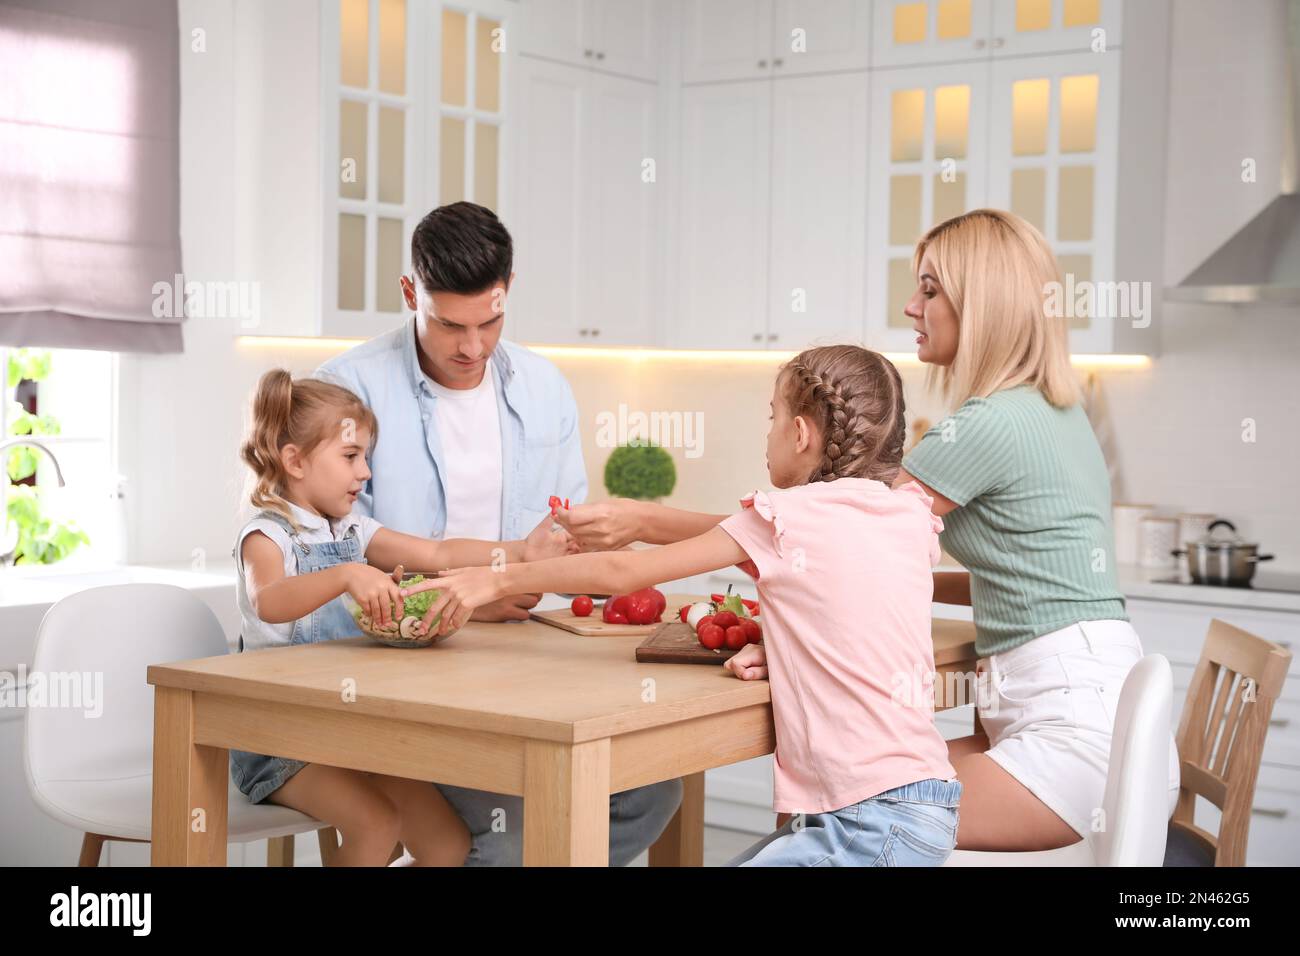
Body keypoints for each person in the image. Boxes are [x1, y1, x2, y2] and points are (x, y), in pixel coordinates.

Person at [405, 345, 963, 866]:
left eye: (771, 417)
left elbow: (623, 571)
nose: (765, 433)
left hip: (867, 826)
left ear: (799, 434)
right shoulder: (908, 514)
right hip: (916, 806)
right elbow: (840, 590)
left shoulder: (793, 517)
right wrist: (800, 648)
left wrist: (495, 579)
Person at [315, 201, 682, 865]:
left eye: (491, 320)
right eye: (450, 325)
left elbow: (564, 521)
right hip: (399, 674)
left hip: (519, 659)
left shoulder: (544, 386)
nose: (473, 346)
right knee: (519, 828)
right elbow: (331, 543)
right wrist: (470, 587)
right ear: (409, 294)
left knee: (649, 789)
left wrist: (539, 573)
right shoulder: (347, 388)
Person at [230, 368, 571, 865]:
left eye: (365, 457)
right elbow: (270, 600)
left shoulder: (352, 528)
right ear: (295, 460)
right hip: (278, 742)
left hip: (352, 731)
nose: (365, 472)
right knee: (378, 825)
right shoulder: (267, 535)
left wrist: (522, 550)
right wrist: (346, 575)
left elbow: (438, 553)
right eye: (350, 456)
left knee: (449, 842)